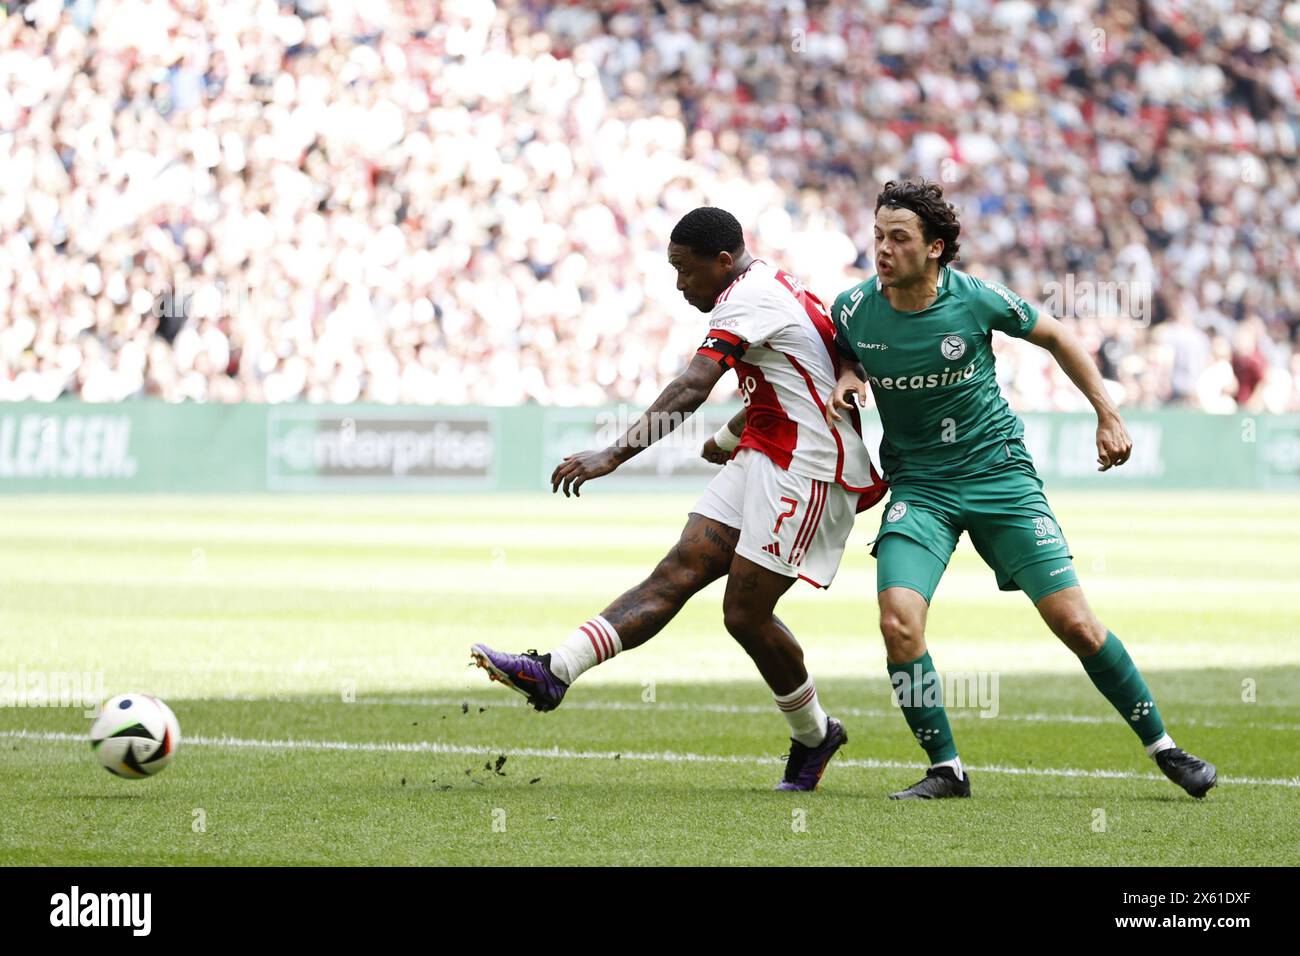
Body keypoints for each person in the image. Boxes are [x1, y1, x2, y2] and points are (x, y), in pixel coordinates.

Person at [471, 206, 886, 791]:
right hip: (767, 450)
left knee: (744, 614)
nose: (679, 283)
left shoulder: (747, 299)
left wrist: (611, 455)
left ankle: (817, 735)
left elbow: (693, 386)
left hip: (807, 468)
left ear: (722, 261)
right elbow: (809, 365)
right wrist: (729, 437)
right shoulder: (768, 284)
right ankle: (554, 672)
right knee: (677, 571)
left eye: (685, 270)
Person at [828, 179, 1216, 799]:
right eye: (878, 236)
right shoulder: (851, 307)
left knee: (1076, 624)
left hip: (999, 478)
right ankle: (945, 769)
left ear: (936, 249)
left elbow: (1058, 335)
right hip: (920, 487)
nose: (882, 249)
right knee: (898, 625)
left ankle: (1165, 747)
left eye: (898, 238)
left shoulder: (975, 299)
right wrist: (849, 376)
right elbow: (845, 354)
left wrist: (1108, 413)